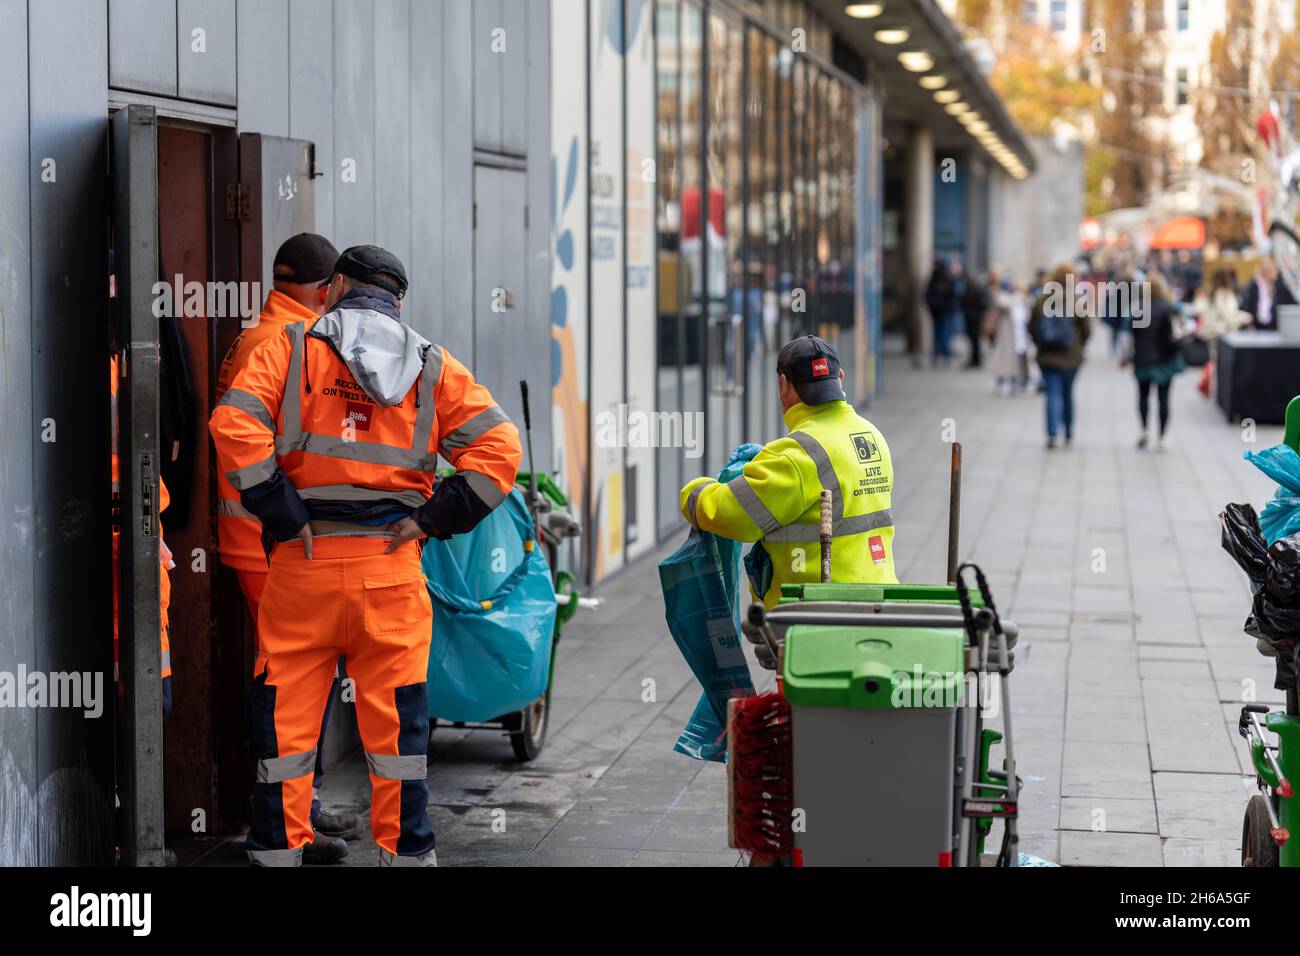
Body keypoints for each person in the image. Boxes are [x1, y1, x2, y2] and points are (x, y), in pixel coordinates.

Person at [210, 245, 522, 866]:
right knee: (397, 735)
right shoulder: (432, 365)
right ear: (398, 300)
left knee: (286, 731)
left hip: (304, 565)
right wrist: (430, 521)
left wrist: (281, 509)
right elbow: (499, 450)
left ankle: (278, 854)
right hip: (391, 568)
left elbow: (233, 426)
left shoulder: (289, 348)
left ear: (336, 287)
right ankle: (405, 856)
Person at [214, 233, 358, 864]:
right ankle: (283, 821)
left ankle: (295, 810)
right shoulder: (286, 344)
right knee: (288, 681)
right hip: (271, 541)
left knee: (287, 676)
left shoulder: (259, 334)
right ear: (324, 289)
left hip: (256, 536)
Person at [679, 335, 896, 633]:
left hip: (818, 614)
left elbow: (734, 516)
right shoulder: (871, 434)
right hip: (877, 601)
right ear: (841, 379)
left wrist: (694, 493)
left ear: (783, 385)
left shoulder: (798, 452)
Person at [1028, 264, 1091, 449]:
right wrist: (1079, 344)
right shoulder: (1076, 300)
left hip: (1047, 355)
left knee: (1051, 394)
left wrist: (1039, 342)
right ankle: (1069, 432)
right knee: (1067, 394)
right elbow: (1086, 329)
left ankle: (1052, 433)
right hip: (1071, 356)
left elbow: (1032, 326)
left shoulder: (1042, 298)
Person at [1127, 273, 1184, 450]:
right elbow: (1184, 327)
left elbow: (1127, 333)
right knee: (1164, 398)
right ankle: (1162, 436)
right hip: (1166, 360)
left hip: (1143, 360)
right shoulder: (1171, 307)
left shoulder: (1137, 309)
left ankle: (1144, 430)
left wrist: (1125, 357)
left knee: (1143, 396)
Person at [1191, 267, 1249, 397]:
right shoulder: (1223, 294)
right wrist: (1245, 317)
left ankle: (1214, 390)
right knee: (1219, 364)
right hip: (1220, 333)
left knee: (1215, 362)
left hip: (1212, 333)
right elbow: (1229, 316)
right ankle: (1217, 391)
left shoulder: (1213, 292)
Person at [1239, 258, 1297, 330]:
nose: (1274, 274)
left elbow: (1290, 302)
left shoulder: (1279, 286)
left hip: (1274, 326)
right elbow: (1246, 304)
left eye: (1274, 270)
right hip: (1257, 326)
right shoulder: (1253, 286)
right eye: (1272, 271)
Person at [925, 260, 958, 368]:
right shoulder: (935, 279)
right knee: (940, 335)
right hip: (938, 312)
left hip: (944, 312)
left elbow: (952, 296)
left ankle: (943, 357)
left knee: (943, 335)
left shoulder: (945, 279)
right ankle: (939, 357)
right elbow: (927, 295)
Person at [962, 268, 992, 369]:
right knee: (973, 339)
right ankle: (975, 359)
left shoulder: (974, 288)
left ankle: (976, 359)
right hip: (973, 316)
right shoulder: (973, 287)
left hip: (974, 317)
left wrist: (975, 312)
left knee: (974, 339)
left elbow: (981, 303)